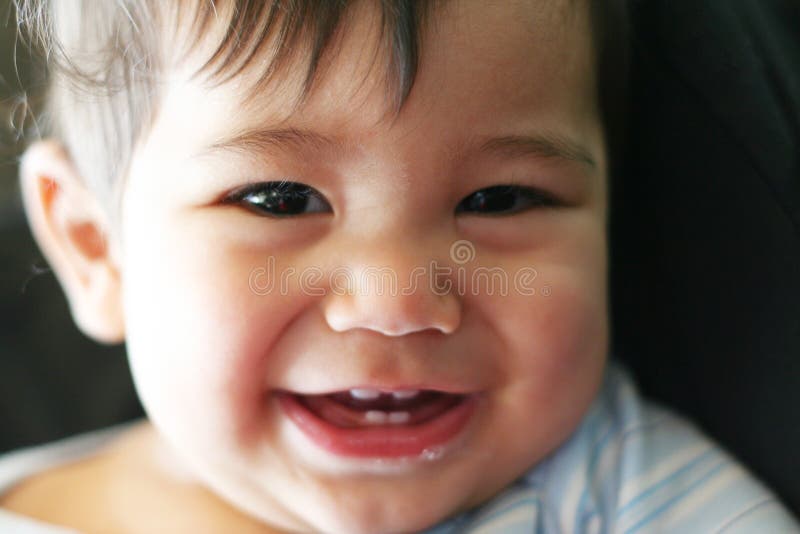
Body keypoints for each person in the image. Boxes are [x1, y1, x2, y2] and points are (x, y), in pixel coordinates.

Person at [0, 1, 797, 532]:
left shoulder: (619, 490)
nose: (399, 302)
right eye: (280, 199)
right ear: (95, 245)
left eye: (500, 199)